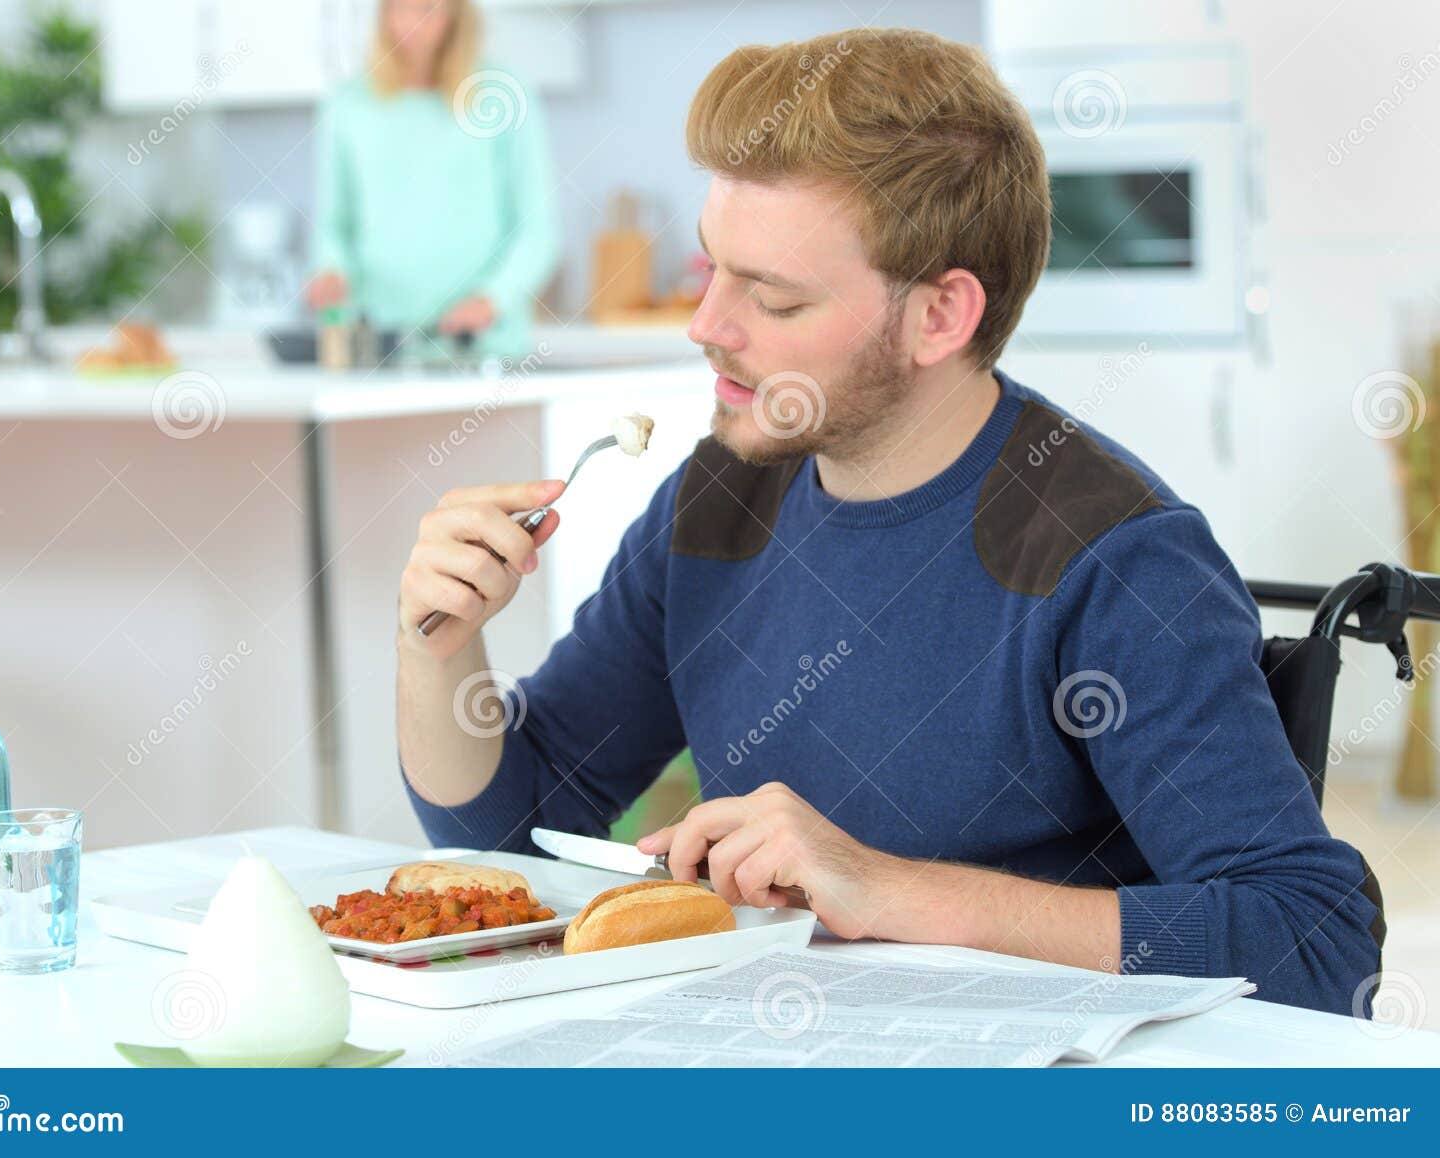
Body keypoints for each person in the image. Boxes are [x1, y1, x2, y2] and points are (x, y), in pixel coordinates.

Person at [393, 28, 1385, 1015]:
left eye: (772, 299)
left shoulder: (1113, 558)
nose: (705, 326)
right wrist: (438, 647)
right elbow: (513, 830)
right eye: (712, 270)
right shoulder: (717, 498)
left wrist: (888, 889)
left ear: (939, 317)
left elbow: (1315, 939)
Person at [308, 0, 557, 358]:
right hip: (380, 350)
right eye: (398, 9)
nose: (411, 25)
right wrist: (331, 271)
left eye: (426, 9)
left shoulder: (502, 95)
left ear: (457, 13)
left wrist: (492, 299)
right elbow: (333, 226)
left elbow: (537, 230)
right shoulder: (347, 104)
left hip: (485, 349)